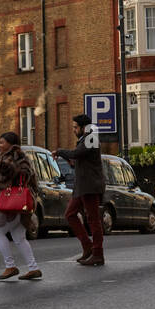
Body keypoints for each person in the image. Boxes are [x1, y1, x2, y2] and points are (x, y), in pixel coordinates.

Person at [0, 132, 41, 280]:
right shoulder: (3, 157)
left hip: (13, 204)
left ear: (11, 144)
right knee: (19, 238)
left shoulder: (18, 157)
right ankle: (33, 268)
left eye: (2, 142)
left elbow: (23, 173)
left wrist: (4, 167)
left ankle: (10, 266)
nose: (0, 145)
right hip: (11, 204)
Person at [56, 113, 106, 266]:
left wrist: (59, 151)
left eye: (75, 127)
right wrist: (65, 157)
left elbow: (77, 154)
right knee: (70, 214)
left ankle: (98, 253)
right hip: (82, 186)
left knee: (93, 220)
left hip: (90, 186)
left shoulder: (91, 138)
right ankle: (87, 246)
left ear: (84, 128)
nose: (73, 130)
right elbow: (75, 160)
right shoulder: (85, 139)